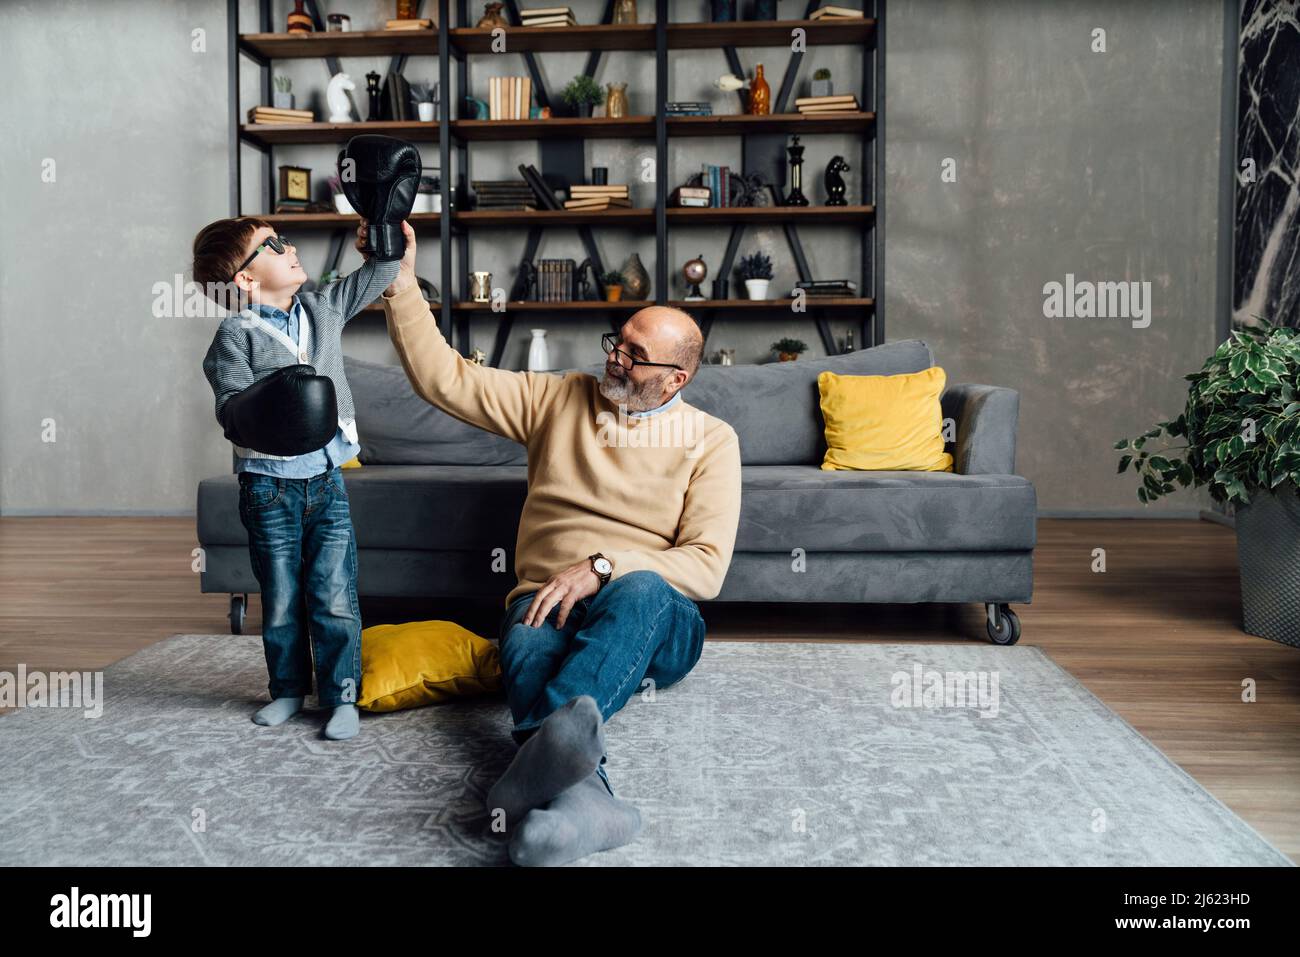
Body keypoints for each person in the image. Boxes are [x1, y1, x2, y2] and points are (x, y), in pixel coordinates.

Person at [379, 220, 743, 865]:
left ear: (676, 379)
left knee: (641, 587)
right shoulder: (558, 399)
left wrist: (601, 567)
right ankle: (581, 807)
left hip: (657, 620)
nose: (615, 359)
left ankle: (540, 762)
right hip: (547, 597)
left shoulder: (711, 440)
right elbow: (445, 380)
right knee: (525, 639)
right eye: (617, 343)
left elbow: (707, 567)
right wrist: (403, 283)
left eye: (635, 356)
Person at [197, 216, 400, 740]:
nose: (290, 248)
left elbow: (377, 275)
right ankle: (287, 691)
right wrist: (281, 408)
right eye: (272, 246)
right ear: (244, 279)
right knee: (282, 597)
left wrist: (385, 236)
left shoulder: (322, 308)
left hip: (326, 482)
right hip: (268, 486)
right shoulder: (234, 335)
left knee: (335, 592)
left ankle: (341, 696)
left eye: (284, 239)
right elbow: (231, 411)